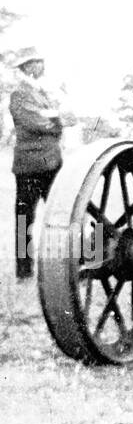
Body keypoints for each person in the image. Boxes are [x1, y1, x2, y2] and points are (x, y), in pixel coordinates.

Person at [9, 47, 63, 280]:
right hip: (30, 165)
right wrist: (54, 123)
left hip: (51, 162)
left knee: (65, 214)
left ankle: (75, 263)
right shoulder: (20, 93)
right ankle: (24, 270)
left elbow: (55, 118)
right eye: (37, 62)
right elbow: (35, 122)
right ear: (27, 67)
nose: (42, 66)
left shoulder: (42, 92)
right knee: (25, 219)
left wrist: (53, 120)